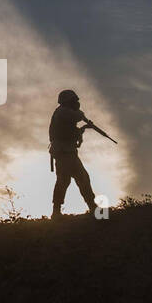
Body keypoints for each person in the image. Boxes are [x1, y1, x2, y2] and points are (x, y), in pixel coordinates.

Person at [49, 89, 98, 219]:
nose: (76, 103)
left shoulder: (67, 114)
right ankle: (56, 212)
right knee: (64, 181)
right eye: (73, 101)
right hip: (63, 152)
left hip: (69, 152)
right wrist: (82, 117)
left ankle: (92, 207)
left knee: (82, 178)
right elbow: (77, 116)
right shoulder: (63, 112)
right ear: (67, 102)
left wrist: (83, 129)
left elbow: (72, 133)